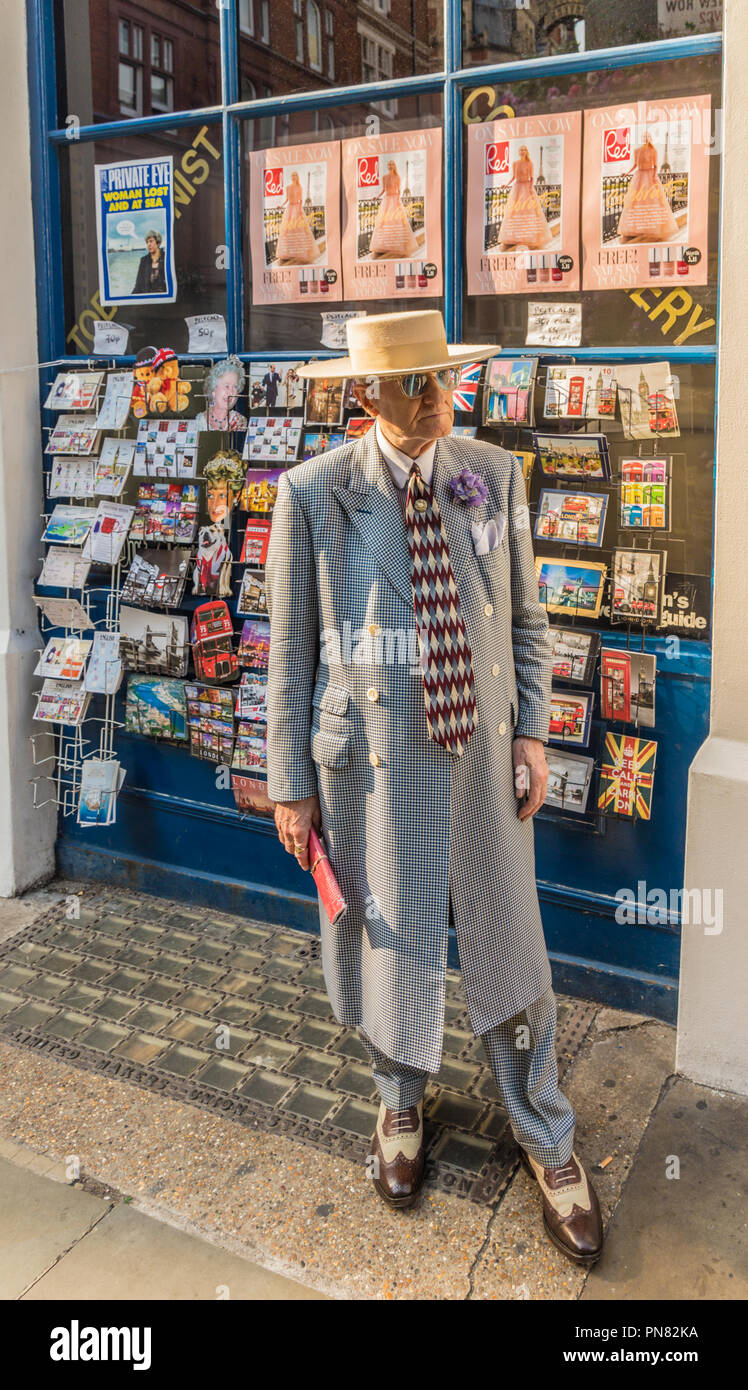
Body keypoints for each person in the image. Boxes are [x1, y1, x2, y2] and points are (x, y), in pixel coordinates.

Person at [264, 310, 604, 1266]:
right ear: (361, 394)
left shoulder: (489, 474)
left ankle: (547, 1136)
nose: (427, 400)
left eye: (437, 381)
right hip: (373, 762)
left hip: (482, 759)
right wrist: (290, 785)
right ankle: (399, 1107)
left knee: (509, 947)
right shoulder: (315, 494)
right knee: (389, 944)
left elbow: (528, 622)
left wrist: (534, 730)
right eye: (405, 385)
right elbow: (290, 659)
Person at [617, 132, 679, 243]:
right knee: (636, 202)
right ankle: (635, 228)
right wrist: (627, 173)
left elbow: (655, 166)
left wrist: (654, 176)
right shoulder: (637, 151)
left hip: (650, 176)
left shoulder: (653, 150)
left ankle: (652, 227)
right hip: (639, 175)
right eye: (644, 136)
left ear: (650, 138)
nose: (645, 138)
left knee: (652, 202)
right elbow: (635, 165)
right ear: (642, 138)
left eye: (647, 136)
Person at [498, 146, 551, 251]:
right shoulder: (515, 163)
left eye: (524, 150)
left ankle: (528, 237)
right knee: (515, 212)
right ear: (519, 152)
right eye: (521, 150)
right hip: (517, 187)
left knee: (528, 212)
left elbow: (531, 178)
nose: (522, 151)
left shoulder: (530, 164)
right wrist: (506, 184)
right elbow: (513, 177)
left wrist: (531, 189)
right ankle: (515, 237)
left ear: (526, 152)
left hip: (526, 187)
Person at [369, 160, 418, 259]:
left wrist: (398, 201)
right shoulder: (384, 177)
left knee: (396, 222)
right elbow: (383, 190)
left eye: (392, 164)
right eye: (389, 164)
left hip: (395, 199)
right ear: (388, 166)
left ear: (394, 166)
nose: (390, 166)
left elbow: (399, 191)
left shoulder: (397, 177)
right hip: (387, 200)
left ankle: (396, 244)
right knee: (385, 223)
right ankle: (385, 245)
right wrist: (377, 197)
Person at [275, 172, 318, 264]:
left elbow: (301, 200)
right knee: (288, 230)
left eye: (295, 175)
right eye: (292, 175)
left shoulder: (300, 187)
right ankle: (288, 252)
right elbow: (287, 199)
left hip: (297, 208)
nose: (293, 177)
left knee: (299, 230)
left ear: (297, 177)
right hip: (289, 209)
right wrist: (281, 206)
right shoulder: (288, 187)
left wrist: (299, 209)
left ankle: (300, 252)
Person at [196, 356, 248, 431]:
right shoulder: (200, 421)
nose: (231, 392)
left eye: (235, 387)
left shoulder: (240, 421)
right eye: (227, 386)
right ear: (213, 389)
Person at [132, 230, 167, 295]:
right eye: (147, 242)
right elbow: (138, 284)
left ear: (158, 243)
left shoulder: (166, 258)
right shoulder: (144, 260)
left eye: (151, 241)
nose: (148, 244)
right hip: (148, 297)